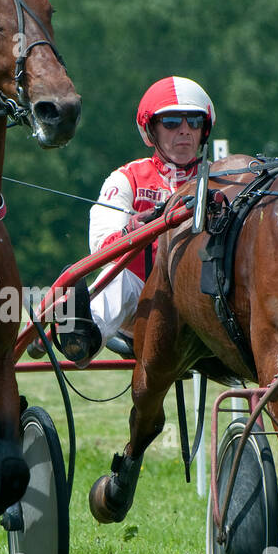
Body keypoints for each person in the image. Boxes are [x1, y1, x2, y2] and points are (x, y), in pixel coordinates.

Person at [46, 76, 215, 366]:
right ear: (151, 129)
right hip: (143, 304)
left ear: (204, 130)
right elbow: (102, 244)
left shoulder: (222, 178)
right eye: (172, 122)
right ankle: (85, 337)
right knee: (120, 275)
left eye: (194, 122)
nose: (185, 131)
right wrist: (132, 230)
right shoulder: (128, 178)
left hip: (207, 301)